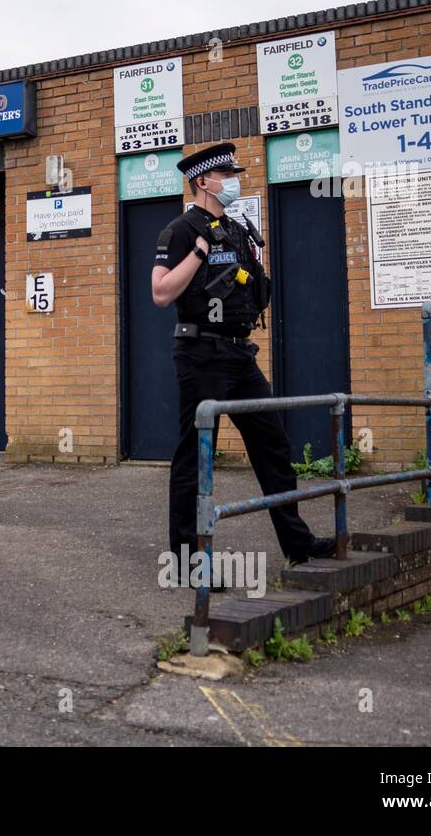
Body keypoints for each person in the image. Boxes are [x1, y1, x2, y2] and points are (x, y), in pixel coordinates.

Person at [151, 142, 334, 582]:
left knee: (274, 446)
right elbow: (160, 293)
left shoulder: (235, 228)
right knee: (195, 456)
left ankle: (298, 545)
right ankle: (187, 565)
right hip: (201, 354)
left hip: (239, 353)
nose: (233, 181)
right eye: (226, 176)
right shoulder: (179, 230)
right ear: (204, 181)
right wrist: (196, 254)